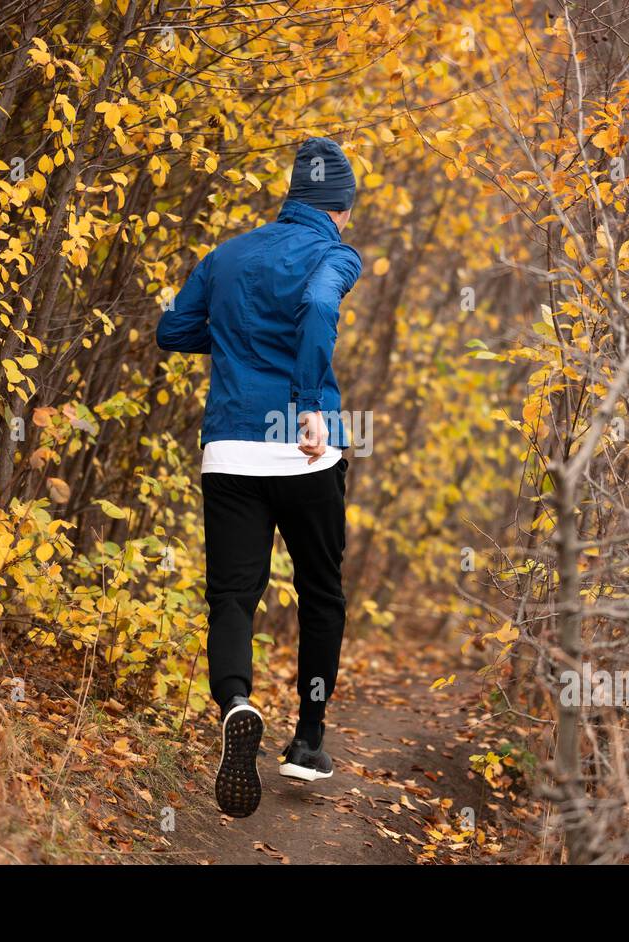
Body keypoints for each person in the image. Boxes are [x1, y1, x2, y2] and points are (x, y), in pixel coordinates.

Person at [156, 136, 362, 818]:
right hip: (304, 452)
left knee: (234, 597)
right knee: (320, 594)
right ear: (340, 207)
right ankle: (307, 741)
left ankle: (237, 701)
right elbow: (321, 311)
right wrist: (309, 407)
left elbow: (173, 329)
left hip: (231, 452)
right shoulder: (335, 254)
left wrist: (237, 339)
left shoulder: (229, 254)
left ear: (289, 196)